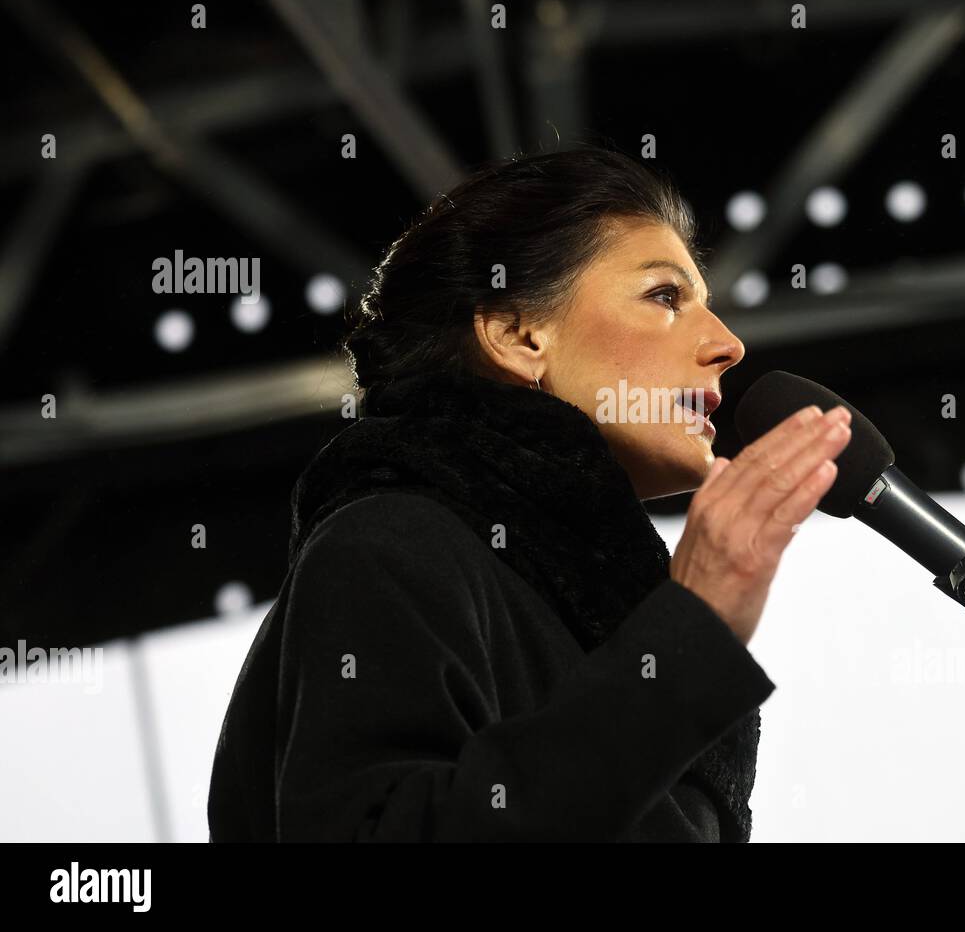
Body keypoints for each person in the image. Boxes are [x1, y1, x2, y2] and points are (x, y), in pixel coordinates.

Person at [206, 145, 852, 841]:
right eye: (665, 295)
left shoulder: (570, 609)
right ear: (517, 335)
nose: (729, 344)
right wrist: (691, 634)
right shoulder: (388, 543)